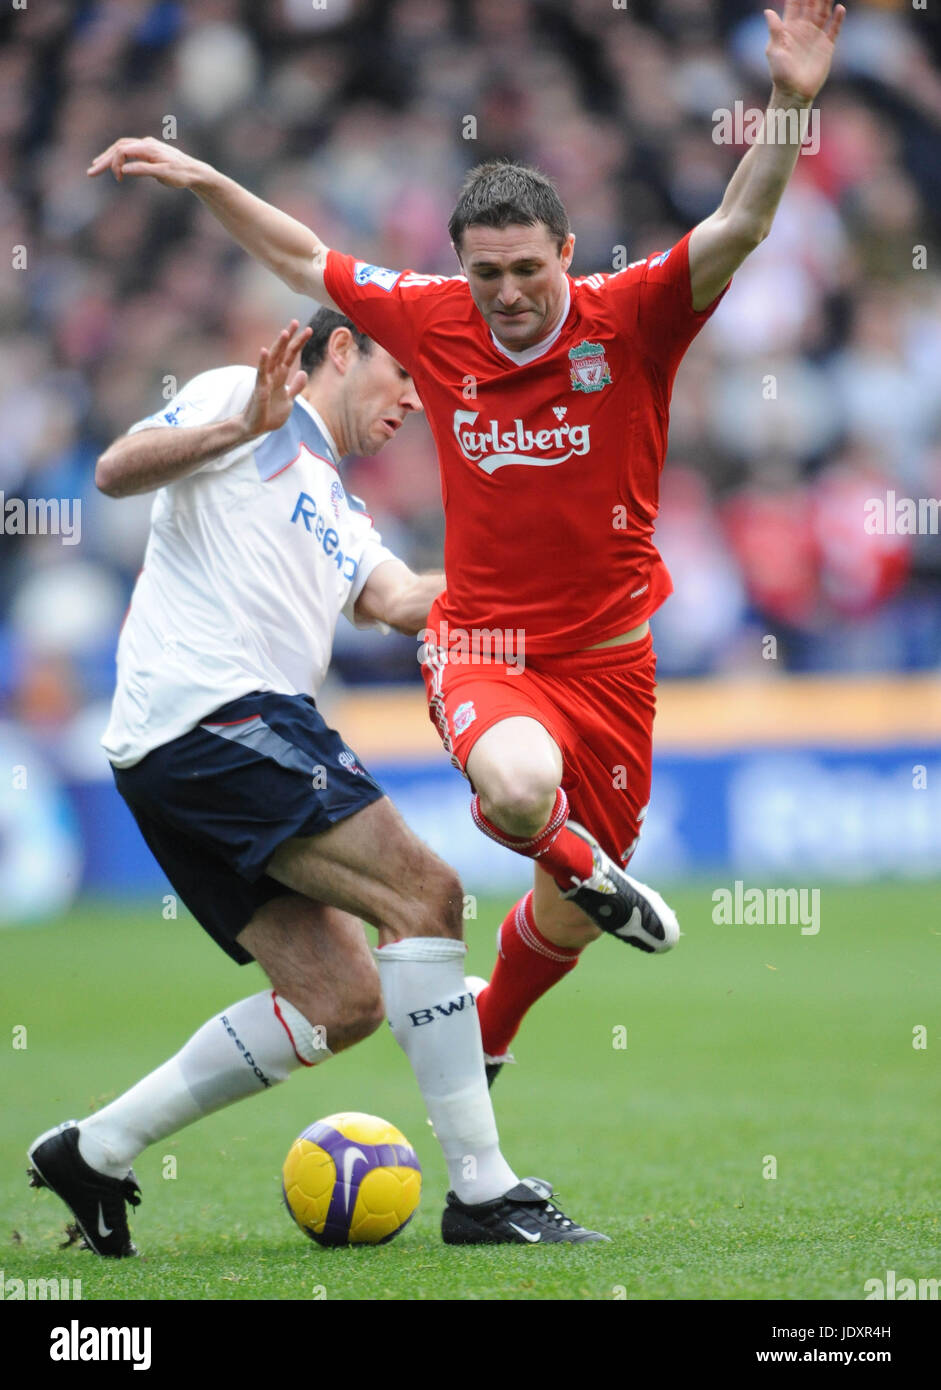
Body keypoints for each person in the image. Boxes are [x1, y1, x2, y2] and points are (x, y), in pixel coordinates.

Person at [86, 0, 845, 1083]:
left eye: (526, 271)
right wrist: (206, 180)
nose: (506, 296)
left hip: (611, 660)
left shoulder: (631, 318)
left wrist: (784, 102)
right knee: (522, 789)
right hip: (487, 644)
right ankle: (572, 859)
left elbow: (735, 228)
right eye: (485, 275)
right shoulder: (434, 319)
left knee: (565, 918)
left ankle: (491, 1030)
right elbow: (302, 253)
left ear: (565, 255)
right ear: (460, 270)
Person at [27, 309, 607, 1253]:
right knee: (427, 895)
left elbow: (397, 600)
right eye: (406, 378)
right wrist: (237, 427)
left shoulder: (336, 502)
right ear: (342, 349)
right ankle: (485, 1193)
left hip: (172, 751)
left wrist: (535, 577)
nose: (417, 403)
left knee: (341, 1000)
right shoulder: (240, 397)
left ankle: (95, 1151)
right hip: (217, 717)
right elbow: (113, 472)